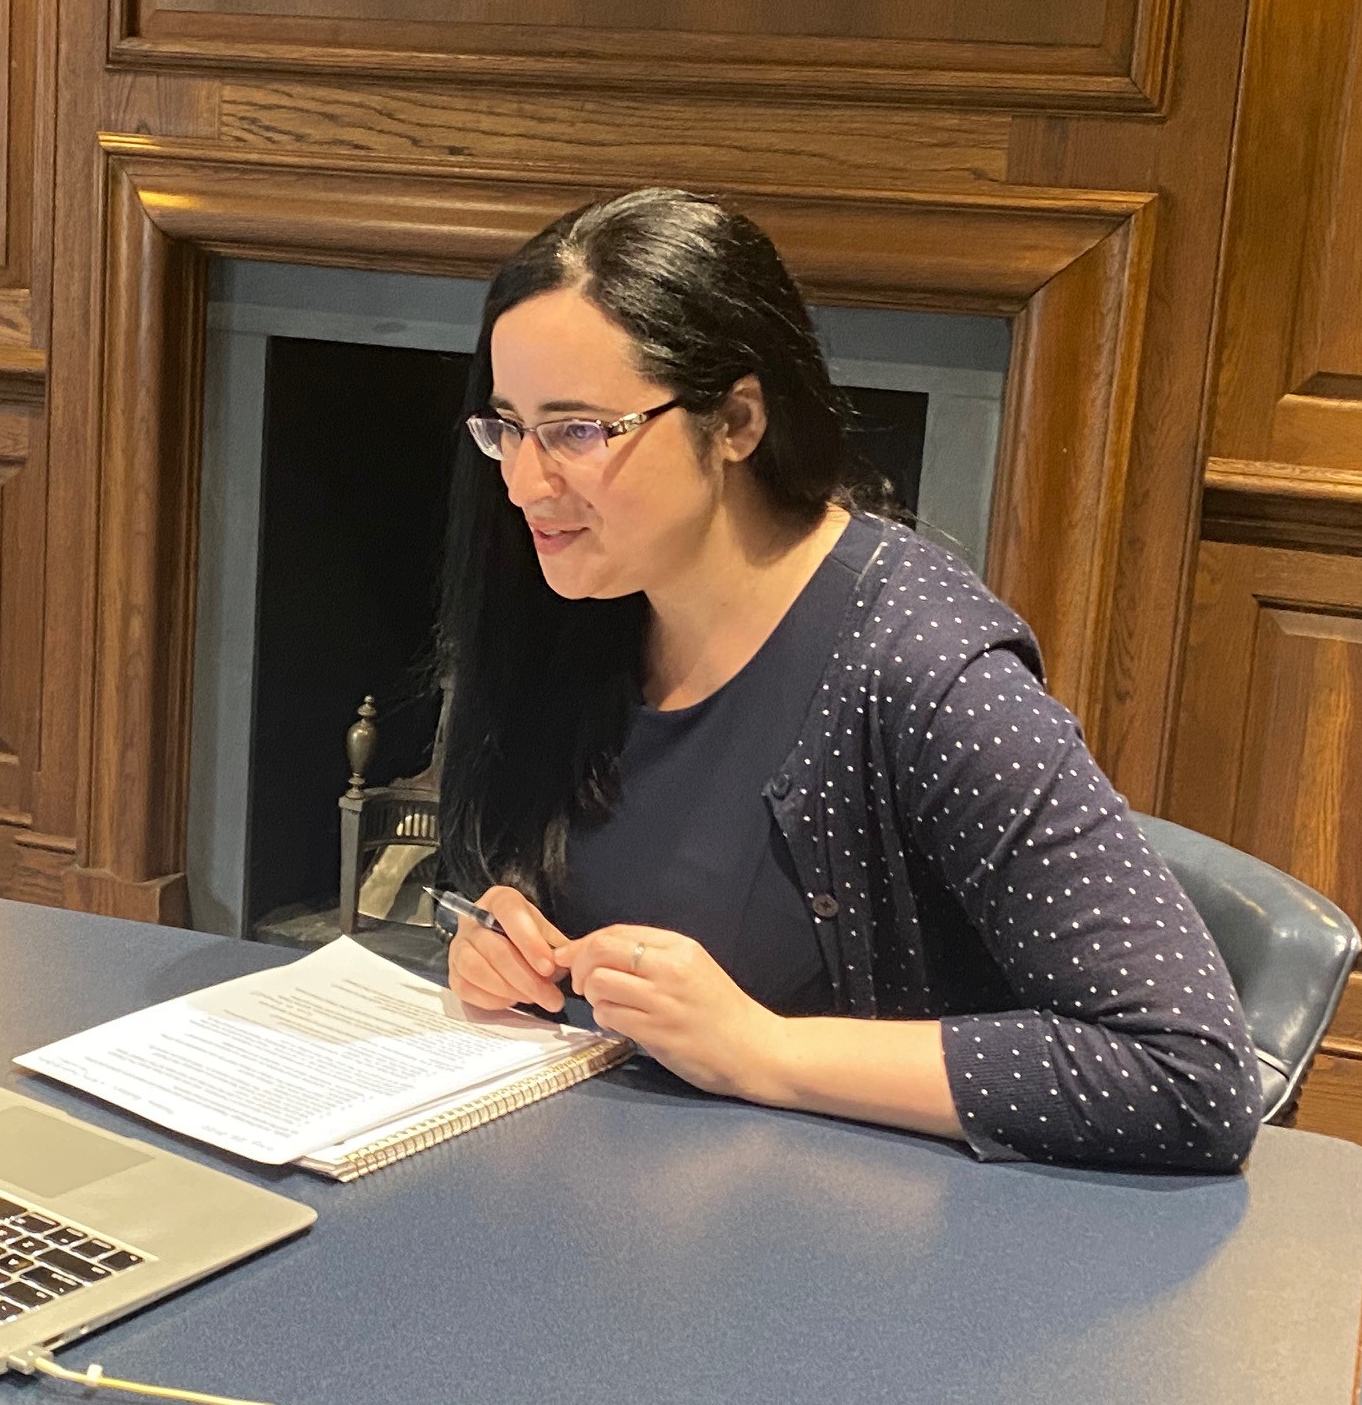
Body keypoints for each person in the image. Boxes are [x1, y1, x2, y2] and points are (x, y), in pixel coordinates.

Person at [434, 188, 1262, 1172]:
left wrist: (762, 1052)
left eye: (578, 432)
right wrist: (500, 935)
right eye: (509, 429)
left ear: (736, 420)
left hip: (862, 1272)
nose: (526, 483)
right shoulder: (585, 606)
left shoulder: (923, 666)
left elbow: (1189, 1073)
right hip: (618, 1206)